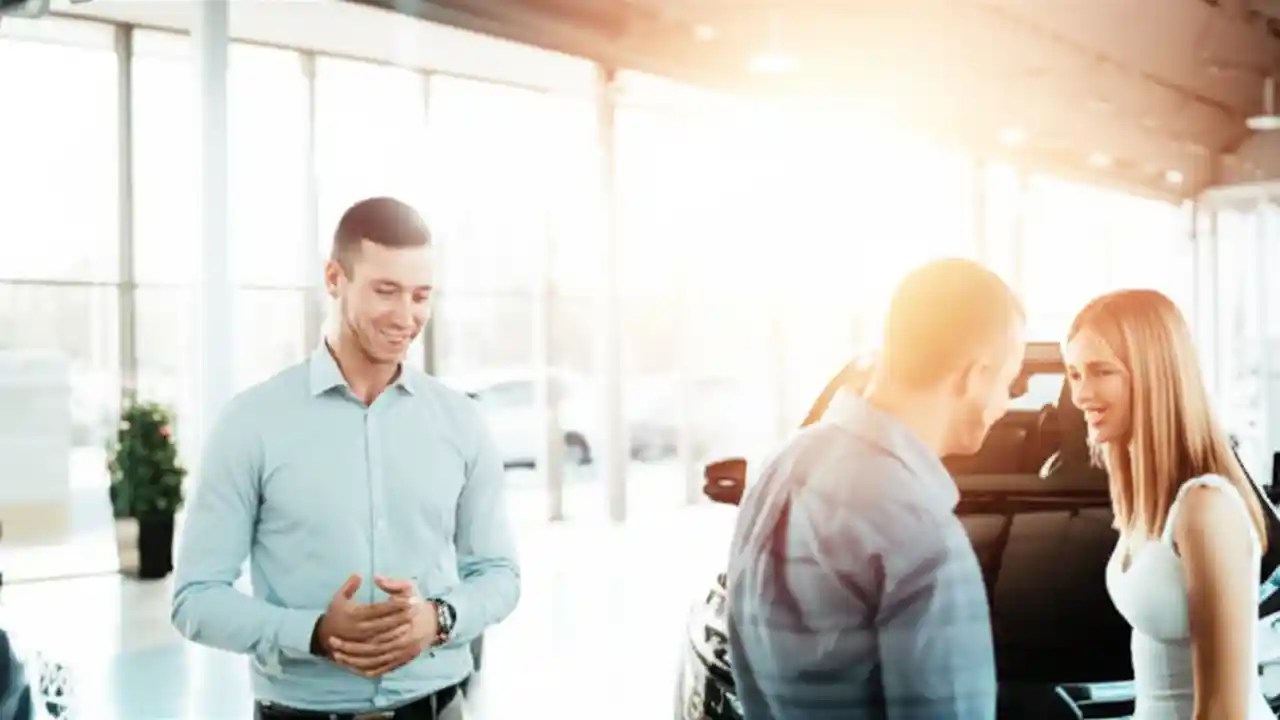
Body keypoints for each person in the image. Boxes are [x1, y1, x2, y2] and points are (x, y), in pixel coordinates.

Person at [171, 197, 520, 719]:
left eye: (420, 296)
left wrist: (440, 619)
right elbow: (195, 598)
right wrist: (311, 632)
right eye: (386, 291)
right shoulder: (251, 423)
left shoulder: (460, 422)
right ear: (335, 278)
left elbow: (499, 574)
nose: (407, 316)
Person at [726, 257, 1025, 720]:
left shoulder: (780, 468)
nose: (1004, 405)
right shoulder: (921, 532)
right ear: (974, 375)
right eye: (1007, 382)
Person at [1064, 289, 1272, 720]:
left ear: (1153, 375)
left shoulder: (1205, 506)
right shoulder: (1144, 501)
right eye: (1075, 374)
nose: (1081, 394)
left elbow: (1224, 711)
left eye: (1101, 371)